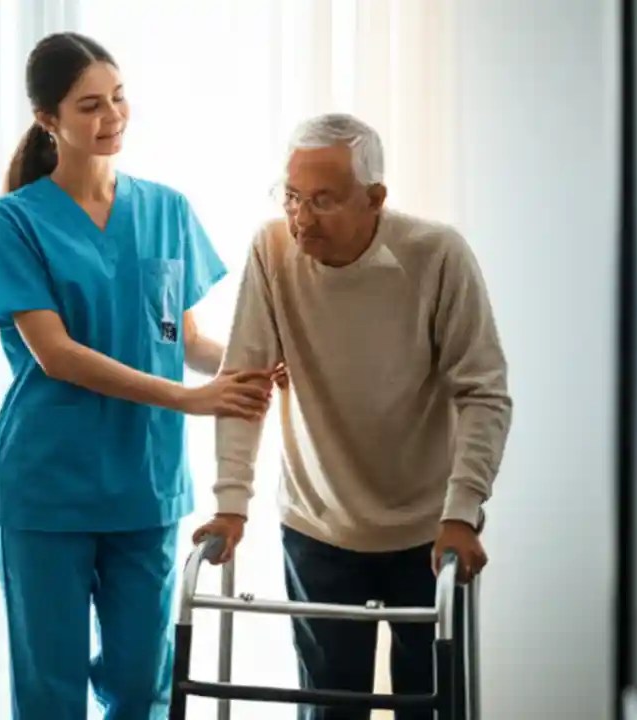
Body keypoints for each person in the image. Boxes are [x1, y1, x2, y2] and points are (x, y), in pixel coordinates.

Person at [0, 32, 278, 720]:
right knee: (50, 692)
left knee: (144, 684)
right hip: (49, 487)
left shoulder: (165, 210)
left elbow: (182, 337)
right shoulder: (15, 222)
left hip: (146, 485)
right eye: (89, 106)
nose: (112, 116)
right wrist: (189, 399)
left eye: (118, 98)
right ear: (48, 120)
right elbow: (58, 355)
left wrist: (255, 364)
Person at [193, 113, 513, 720]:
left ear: (376, 199)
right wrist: (231, 503)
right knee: (330, 709)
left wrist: (463, 512)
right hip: (319, 526)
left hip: (427, 529)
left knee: (432, 705)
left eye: (322, 200)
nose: (301, 218)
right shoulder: (272, 249)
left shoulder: (436, 254)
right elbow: (245, 381)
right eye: (290, 197)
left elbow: (484, 391)